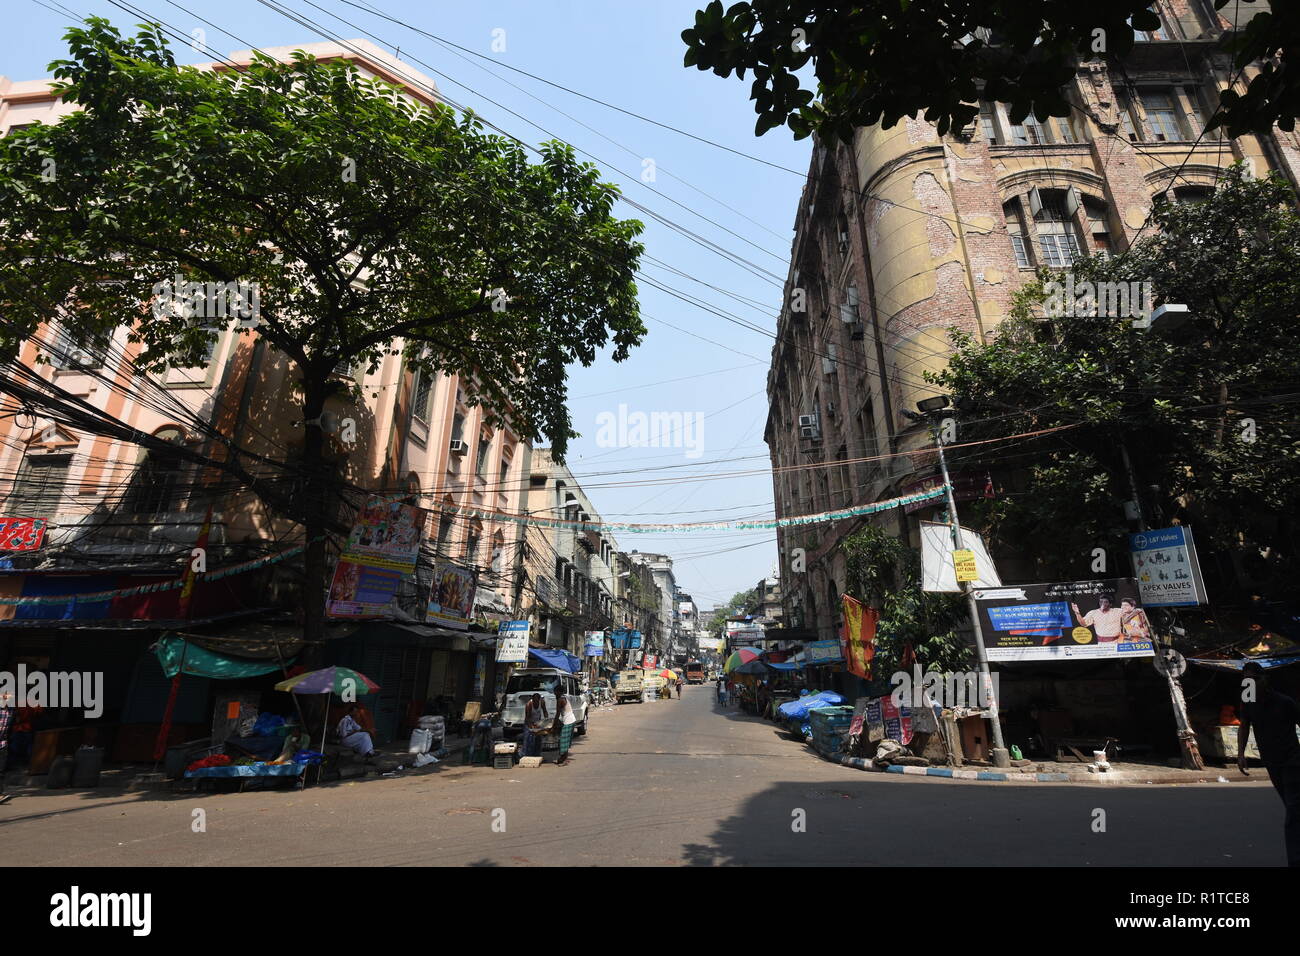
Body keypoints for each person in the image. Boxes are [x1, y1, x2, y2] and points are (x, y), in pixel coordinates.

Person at [1238, 662, 1300, 867]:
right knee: (1292, 807)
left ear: (1264, 679)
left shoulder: (1284, 702)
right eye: (1247, 680)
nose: (1251, 684)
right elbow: (1244, 726)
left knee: (1293, 809)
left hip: (1293, 760)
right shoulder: (1249, 702)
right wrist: (1240, 754)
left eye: (1254, 679)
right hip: (1271, 761)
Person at [523, 692, 548, 758]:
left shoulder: (542, 702)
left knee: (538, 739)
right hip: (529, 722)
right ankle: (526, 755)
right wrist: (532, 727)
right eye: (534, 701)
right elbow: (528, 718)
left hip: (537, 722)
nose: (536, 703)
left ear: (539, 700)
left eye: (537, 701)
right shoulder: (529, 705)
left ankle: (537, 755)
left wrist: (546, 721)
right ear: (532, 700)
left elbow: (545, 711)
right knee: (528, 739)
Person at [552, 693, 575, 766]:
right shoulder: (564, 698)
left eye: (555, 692)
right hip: (571, 720)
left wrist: (554, 726)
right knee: (566, 741)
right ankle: (564, 758)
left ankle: (562, 760)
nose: (555, 694)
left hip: (568, 721)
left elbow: (558, 713)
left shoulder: (560, 700)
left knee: (563, 741)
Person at [0, 691, 14, 805]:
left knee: (1, 770)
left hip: (3, 744)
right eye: (7, 695)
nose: (9, 697)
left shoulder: (11, 710)